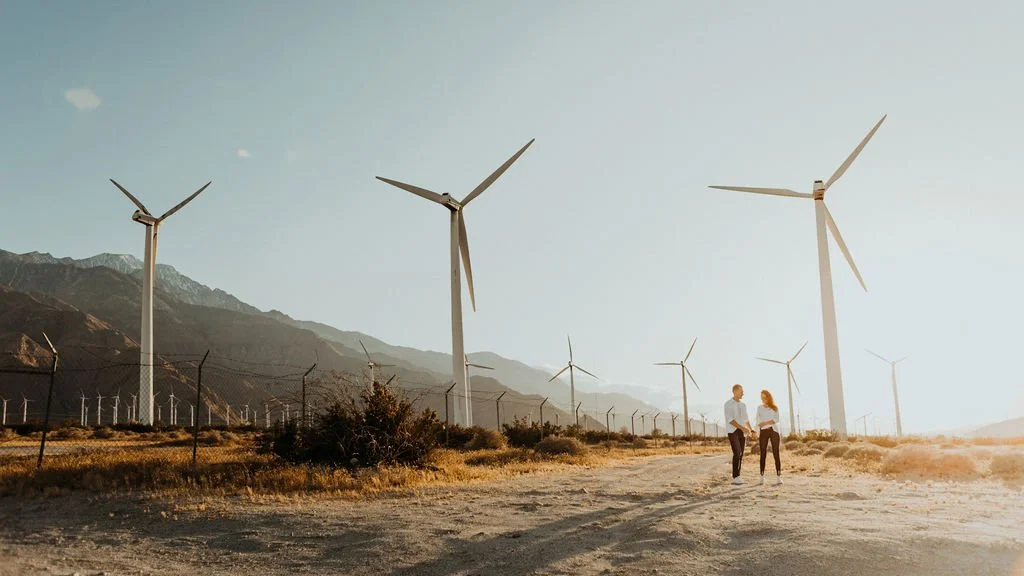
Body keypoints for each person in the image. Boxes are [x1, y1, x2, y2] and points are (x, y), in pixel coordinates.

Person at [724, 384, 756, 485]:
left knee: (741, 454)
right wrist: (743, 428)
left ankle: (738, 476)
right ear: (735, 391)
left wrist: (751, 430)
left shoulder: (743, 405)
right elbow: (730, 420)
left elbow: (746, 419)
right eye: (741, 391)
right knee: (737, 452)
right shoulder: (728, 404)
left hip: (743, 431)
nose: (743, 393)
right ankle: (735, 477)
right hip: (733, 431)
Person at [756, 390, 783, 485]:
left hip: (774, 431)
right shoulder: (759, 408)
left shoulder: (775, 408)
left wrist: (766, 423)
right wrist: (768, 422)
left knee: (776, 453)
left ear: (768, 397)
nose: (763, 399)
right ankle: (761, 477)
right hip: (763, 432)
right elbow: (758, 421)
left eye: (764, 397)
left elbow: (776, 419)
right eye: (761, 397)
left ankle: (779, 476)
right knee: (763, 453)